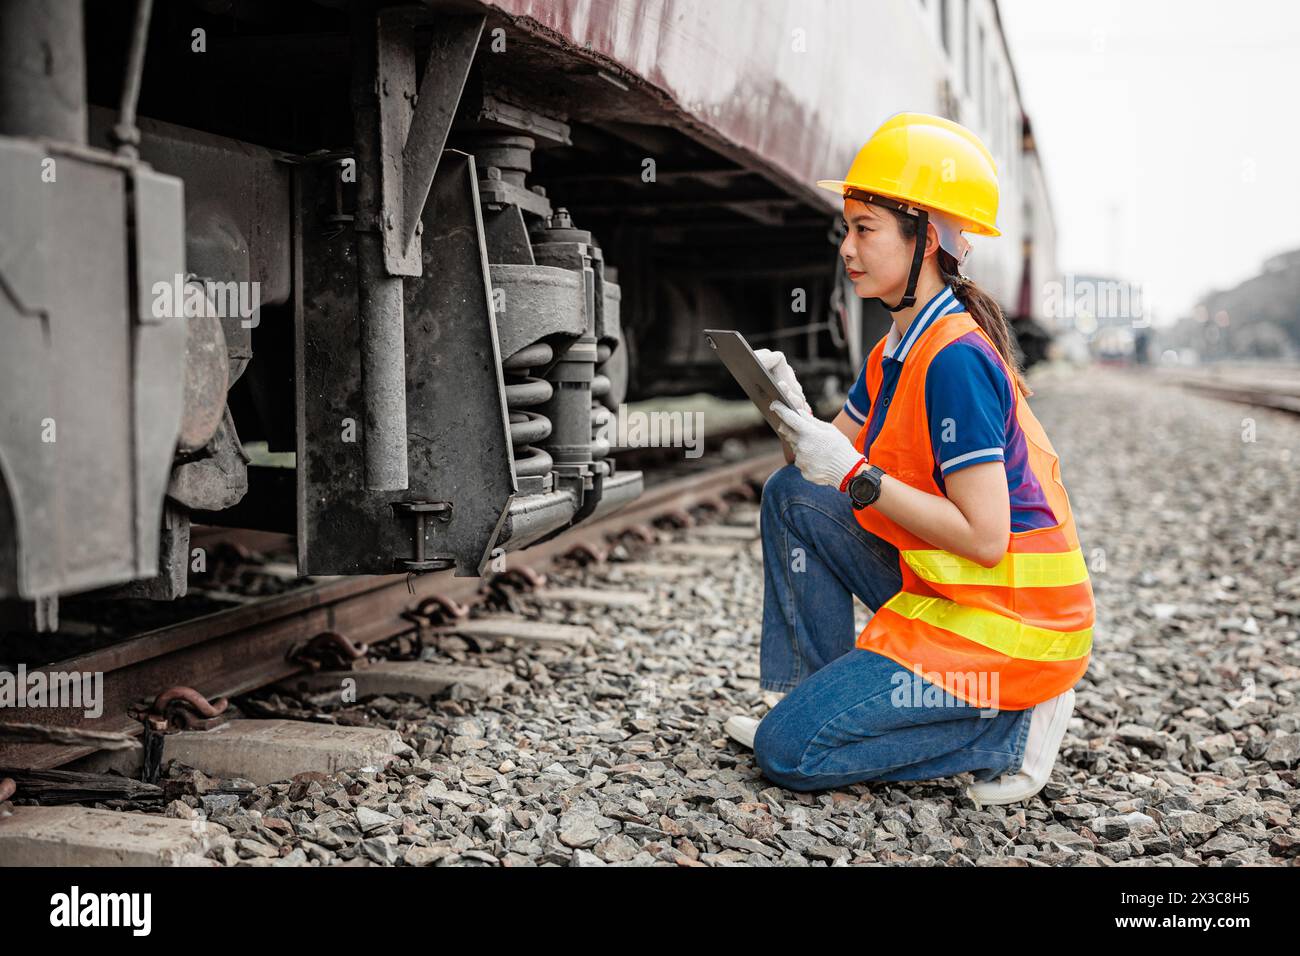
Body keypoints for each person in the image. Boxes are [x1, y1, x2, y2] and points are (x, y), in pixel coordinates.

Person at [725, 113, 1095, 807]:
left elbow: (985, 540)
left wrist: (856, 473)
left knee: (788, 754)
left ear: (924, 239)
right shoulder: (894, 351)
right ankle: (816, 698)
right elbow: (816, 479)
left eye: (865, 229)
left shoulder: (953, 359)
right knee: (789, 494)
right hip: (955, 595)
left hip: (1014, 624)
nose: (846, 248)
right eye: (847, 228)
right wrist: (791, 413)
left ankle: (1011, 731)